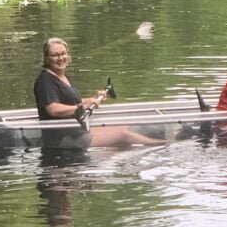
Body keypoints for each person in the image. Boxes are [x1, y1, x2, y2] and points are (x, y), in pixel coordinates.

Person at [33, 38, 164, 147]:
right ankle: (164, 146)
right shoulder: (45, 81)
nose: (60, 58)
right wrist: (81, 107)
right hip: (63, 139)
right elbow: (53, 109)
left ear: (68, 55)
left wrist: (91, 99)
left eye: (63, 54)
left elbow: (71, 101)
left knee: (123, 126)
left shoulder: (61, 77)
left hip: (76, 130)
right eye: (55, 55)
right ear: (47, 59)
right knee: (124, 135)